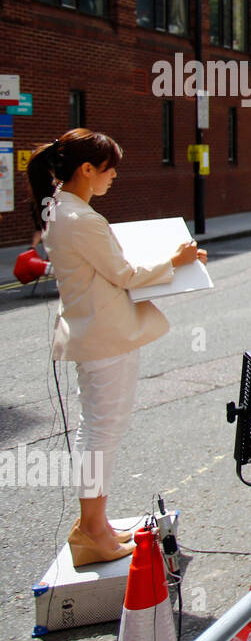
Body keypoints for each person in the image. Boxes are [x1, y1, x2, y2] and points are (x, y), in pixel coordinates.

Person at [29, 129, 206, 567]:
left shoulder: (59, 208)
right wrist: (176, 261)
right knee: (101, 432)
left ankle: (95, 524)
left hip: (93, 331)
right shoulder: (81, 218)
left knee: (98, 429)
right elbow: (124, 274)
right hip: (105, 336)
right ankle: (91, 530)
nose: (113, 179)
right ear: (87, 169)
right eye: (109, 170)